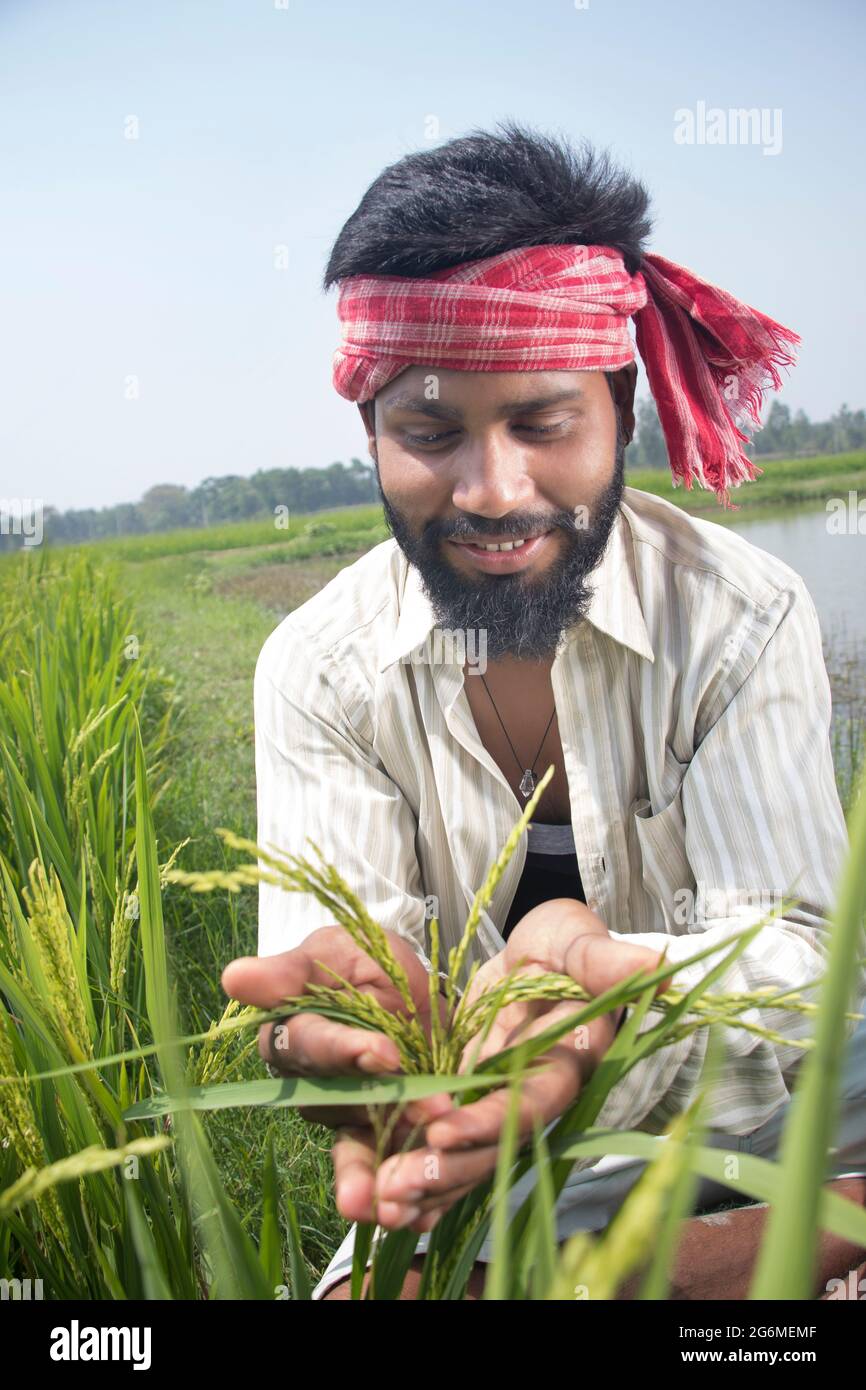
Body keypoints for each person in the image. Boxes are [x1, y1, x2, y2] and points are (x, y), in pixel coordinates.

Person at [222, 121, 866, 1300]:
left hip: (764, 1116)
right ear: (368, 435)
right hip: (491, 1161)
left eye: (541, 422)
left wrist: (604, 989)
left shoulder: (739, 616)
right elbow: (328, 994)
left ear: (619, 409)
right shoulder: (316, 668)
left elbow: (803, 969)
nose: (492, 492)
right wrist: (336, 1043)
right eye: (429, 432)